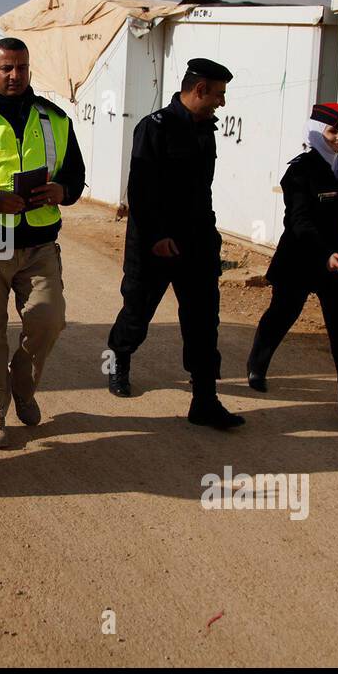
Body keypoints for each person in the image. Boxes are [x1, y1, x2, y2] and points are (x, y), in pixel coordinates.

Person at [0, 37, 85, 448]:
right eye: (6, 68)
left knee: (48, 318)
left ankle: (21, 387)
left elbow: (75, 176)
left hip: (39, 246)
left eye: (21, 67)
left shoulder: (55, 119)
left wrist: (63, 192)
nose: (14, 75)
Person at [105, 58, 244, 430]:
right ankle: (119, 356)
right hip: (153, 245)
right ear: (199, 90)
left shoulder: (206, 130)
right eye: (218, 94)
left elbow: (203, 191)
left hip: (196, 244)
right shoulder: (155, 128)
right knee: (137, 314)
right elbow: (141, 189)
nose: (222, 103)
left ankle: (204, 400)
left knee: (203, 322)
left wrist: (210, 236)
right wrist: (157, 237)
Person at [247, 103, 338, 428]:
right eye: (332, 130)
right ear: (315, 132)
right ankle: (258, 363)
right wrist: (323, 252)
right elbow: (299, 221)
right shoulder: (299, 172)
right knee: (282, 315)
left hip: (336, 262)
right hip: (300, 257)